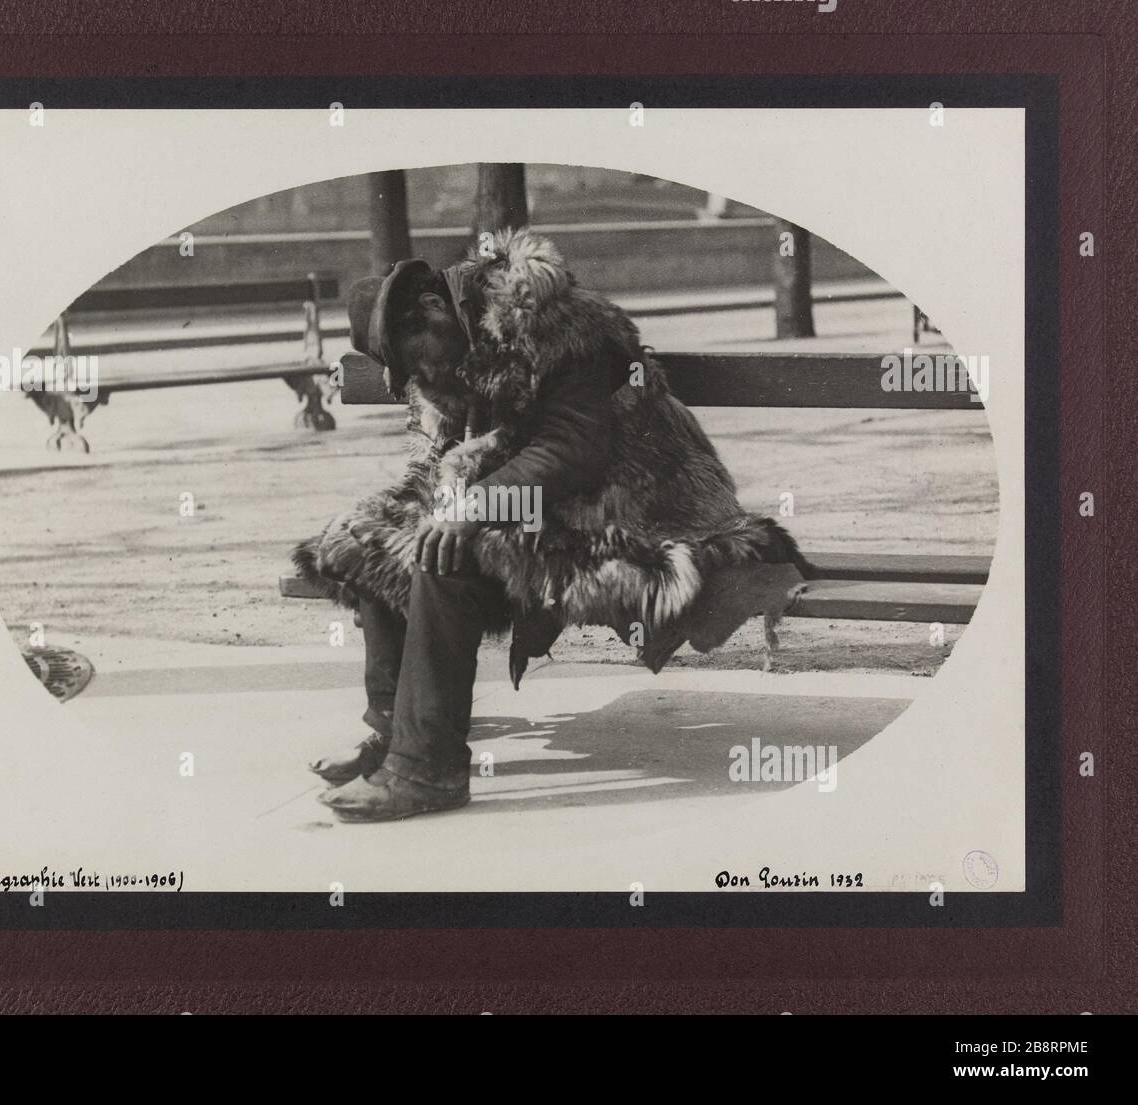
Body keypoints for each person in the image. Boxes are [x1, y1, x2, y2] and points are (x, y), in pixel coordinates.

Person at [294, 229, 808, 823]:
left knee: (443, 560)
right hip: (548, 506)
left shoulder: (549, 320)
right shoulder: (455, 349)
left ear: (433, 309)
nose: (429, 372)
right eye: (413, 370)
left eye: (422, 355)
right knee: (377, 540)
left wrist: (472, 510)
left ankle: (425, 772)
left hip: (632, 505)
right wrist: (446, 506)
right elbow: (446, 459)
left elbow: (573, 447)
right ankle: (391, 736)